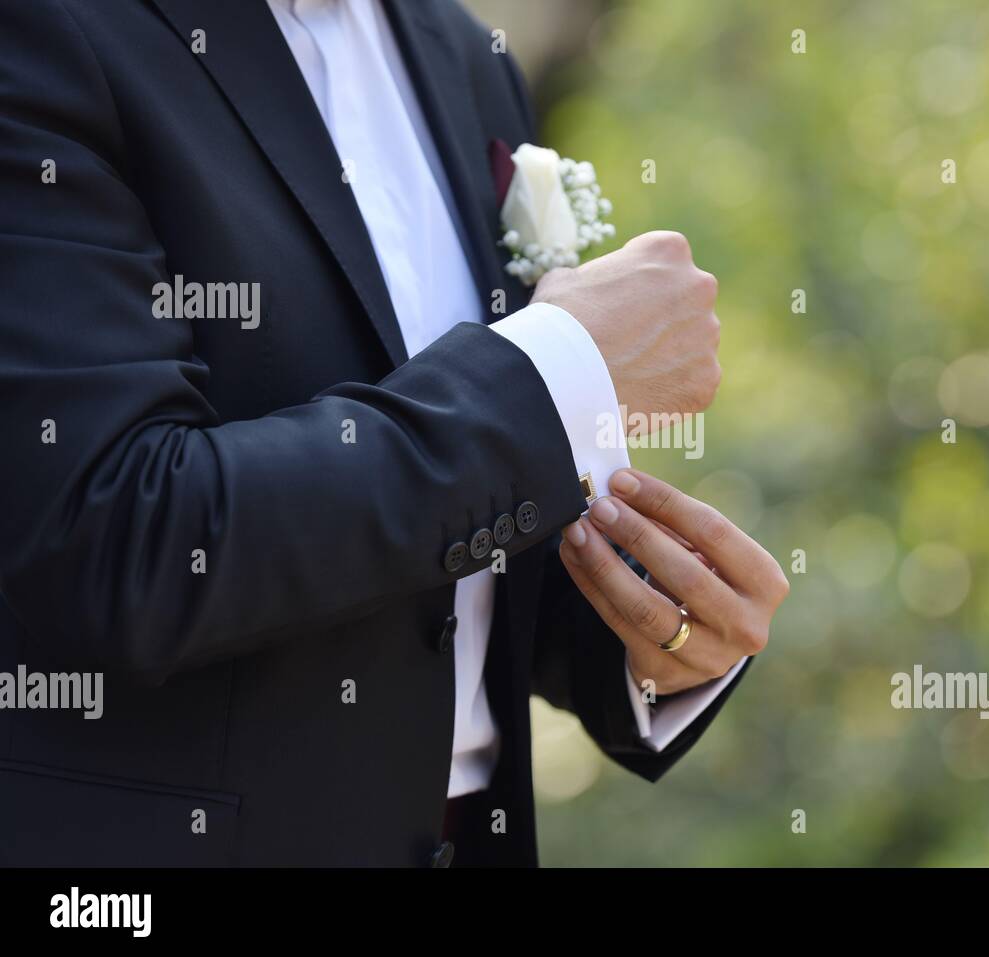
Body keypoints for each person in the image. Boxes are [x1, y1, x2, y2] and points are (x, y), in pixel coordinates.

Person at [0, 0, 787, 866]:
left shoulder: (460, 51)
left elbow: (457, 541)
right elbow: (118, 536)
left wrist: (653, 641)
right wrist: (550, 370)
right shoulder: (47, 30)